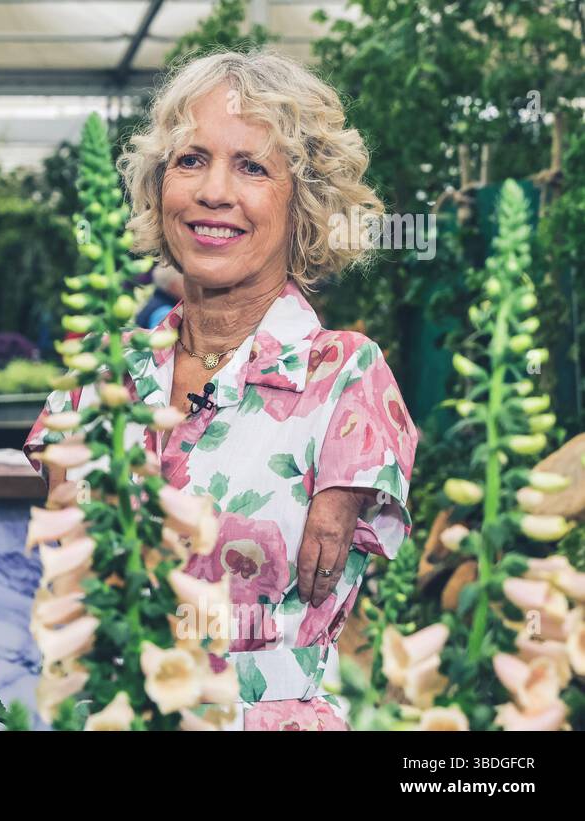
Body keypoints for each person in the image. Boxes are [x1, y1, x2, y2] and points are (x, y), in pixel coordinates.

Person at [24, 49, 418, 730]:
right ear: (159, 186)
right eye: (190, 159)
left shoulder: (345, 376)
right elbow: (71, 572)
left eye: (252, 166)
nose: (213, 191)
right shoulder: (102, 369)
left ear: (304, 203)